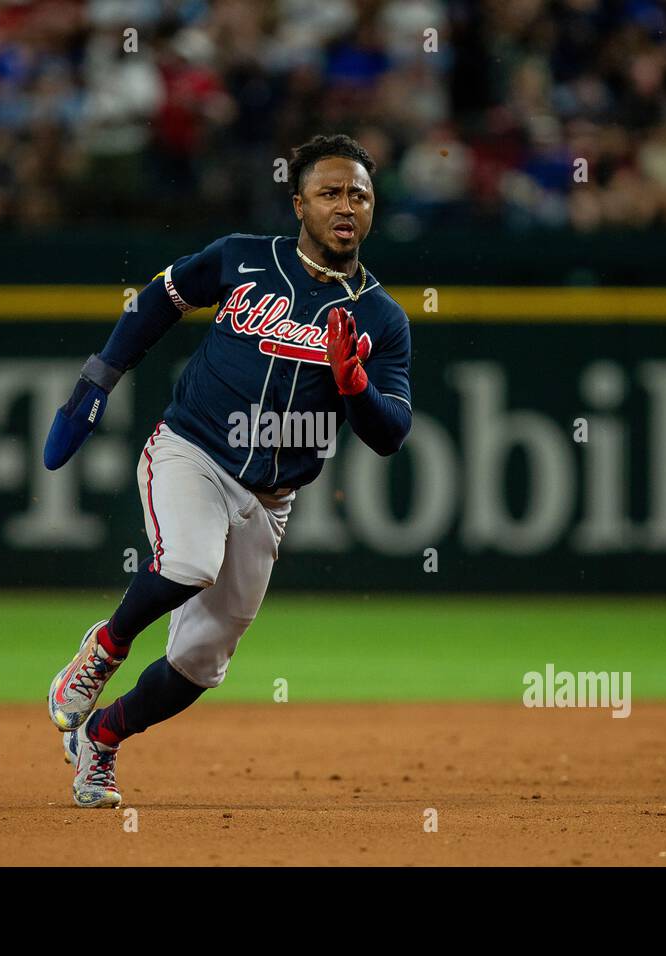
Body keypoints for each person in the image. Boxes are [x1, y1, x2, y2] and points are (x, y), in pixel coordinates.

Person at [44, 133, 412, 807]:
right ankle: (105, 646)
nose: (345, 206)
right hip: (192, 451)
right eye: (329, 192)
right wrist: (98, 379)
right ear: (299, 202)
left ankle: (100, 740)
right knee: (189, 561)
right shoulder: (244, 258)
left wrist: (355, 385)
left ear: (372, 208)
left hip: (271, 499)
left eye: (358, 194)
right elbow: (161, 299)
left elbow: (391, 433)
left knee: (199, 664)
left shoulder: (380, 318)